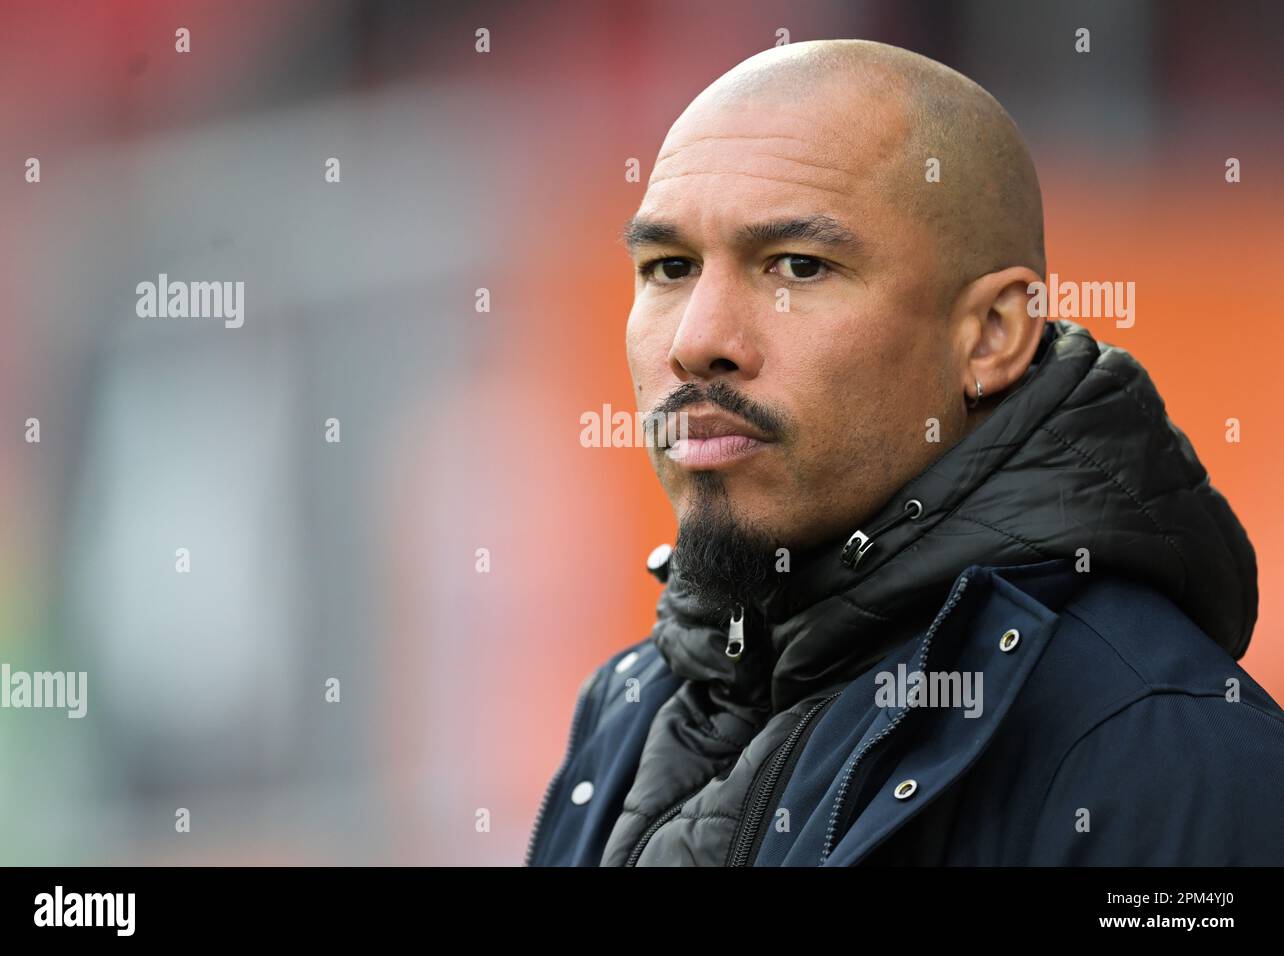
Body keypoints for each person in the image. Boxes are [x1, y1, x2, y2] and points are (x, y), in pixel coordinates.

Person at [525, 39, 1284, 866]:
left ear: (992, 334)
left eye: (798, 267)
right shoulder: (631, 708)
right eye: (669, 267)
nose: (699, 342)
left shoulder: (1166, 758)